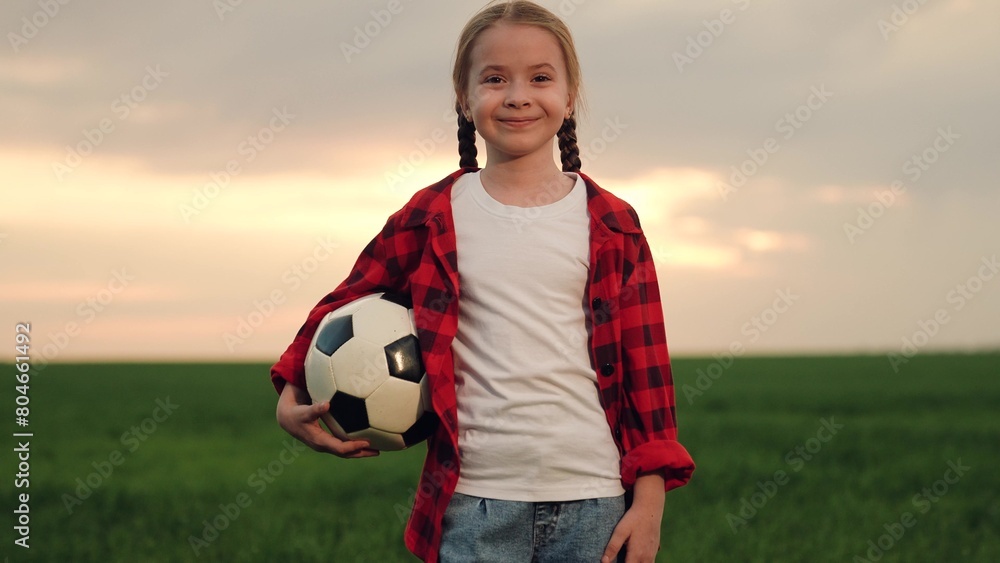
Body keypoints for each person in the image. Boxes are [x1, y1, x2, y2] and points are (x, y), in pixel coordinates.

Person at [270, 1, 695, 561]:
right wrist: (291, 385)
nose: (517, 95)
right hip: (473, 502)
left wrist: (650, 502)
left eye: (540, 78)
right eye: (494, 79)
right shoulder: (432, 216)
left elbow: (647, 369)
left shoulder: (612, 223)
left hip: (594, 499)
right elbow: (349, 298)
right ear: (463, 98)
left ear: (569, 98)